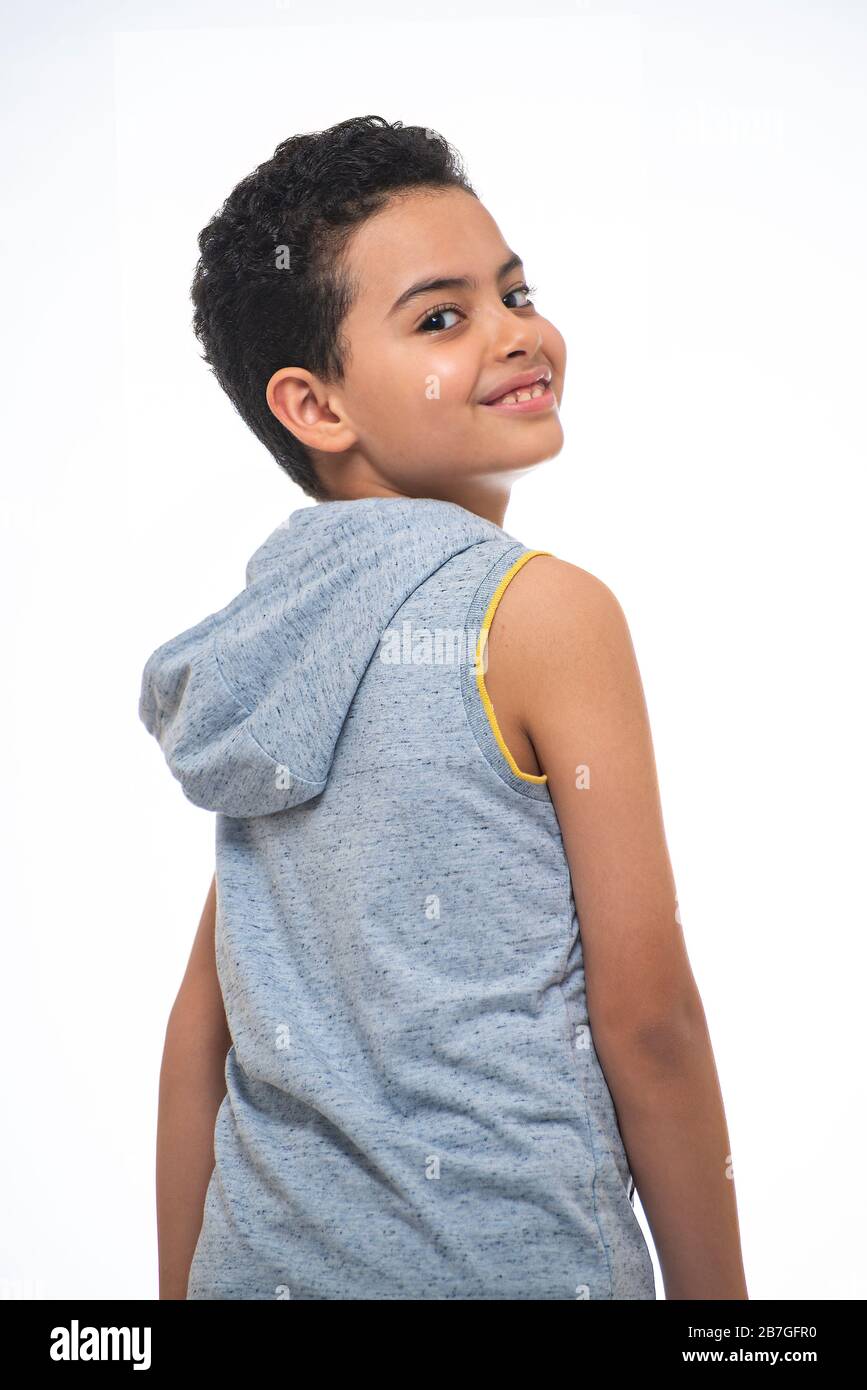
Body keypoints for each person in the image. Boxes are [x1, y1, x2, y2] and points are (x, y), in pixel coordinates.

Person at [142, 116, 748, 1300]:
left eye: (515, 291)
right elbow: (650, 1019)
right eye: (442, 316)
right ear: (317, 407)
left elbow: (196, 1040)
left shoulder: (277, 646)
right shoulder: (541, 614)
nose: (517, 333)